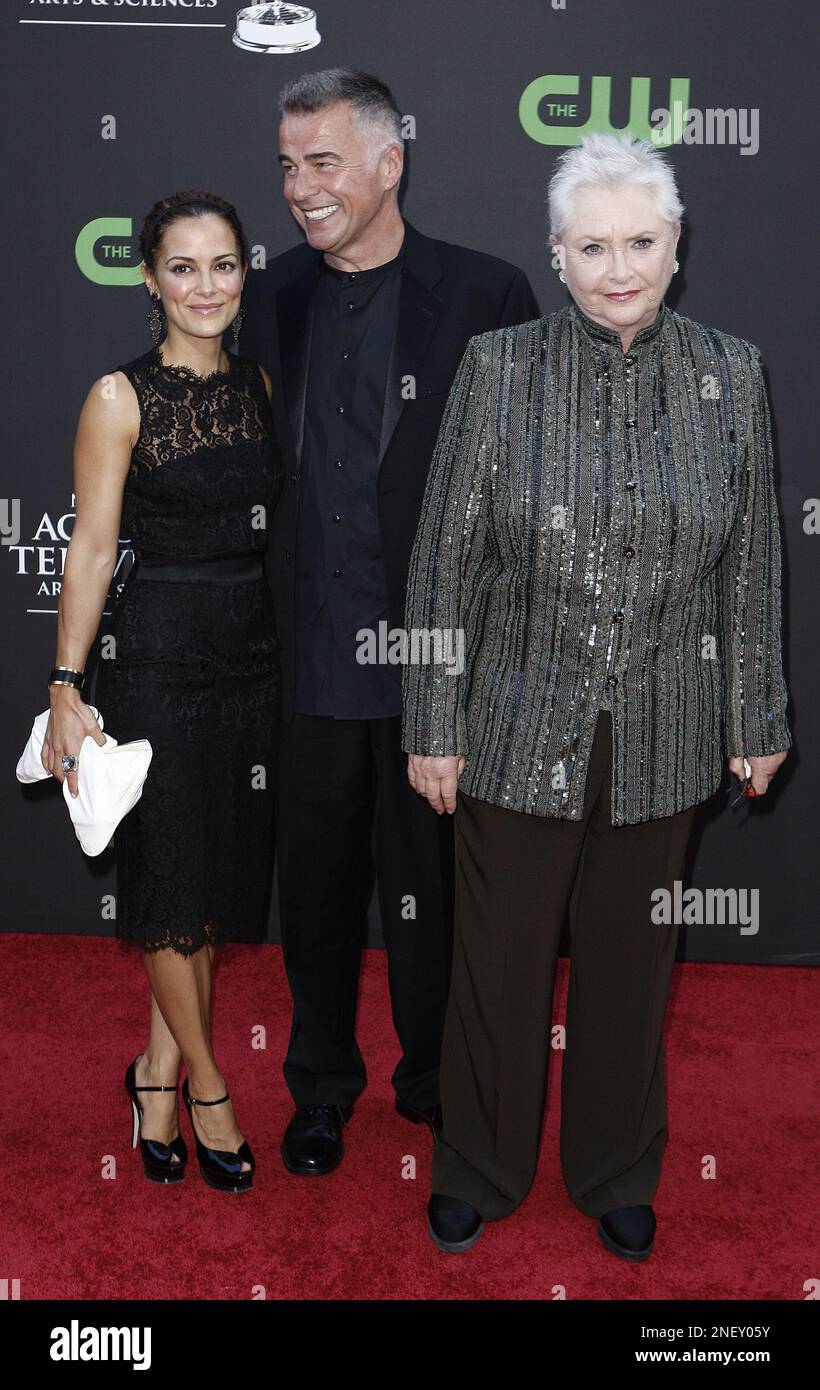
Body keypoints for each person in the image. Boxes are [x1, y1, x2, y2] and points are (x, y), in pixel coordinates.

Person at [401, 132, 792, 1258]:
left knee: (633, 967)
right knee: (497, 963)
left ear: (677, 248)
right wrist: (432, 721)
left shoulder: (732, 372)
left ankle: (616, 1164)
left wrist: (756, 717)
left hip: (669, 726)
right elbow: (443, 561)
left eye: (640, 241)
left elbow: (751, 564)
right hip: (515, 722)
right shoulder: (499, 367)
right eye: (591, 245)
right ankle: (477, 1161)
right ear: (556, 255)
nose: (616, 265)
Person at [233, 67, 540, 1176]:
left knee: (434, 902)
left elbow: (522, 495)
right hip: (307, 662)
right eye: (286, 166)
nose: (300, 188)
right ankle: (320, 1086)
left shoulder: (484, 293)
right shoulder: (271, 299)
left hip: (432, 675)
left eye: (322, 163)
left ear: (388, 161)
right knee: (311, 894)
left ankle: (432, 1079)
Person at [43, 191, 283, 1193]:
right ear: (148, 277)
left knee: (211, 889)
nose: (205, 286)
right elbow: (93, 548)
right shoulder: (119, 397)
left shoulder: (263, 385)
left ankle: (153, 1072)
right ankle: (209, 1085)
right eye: (182, 267)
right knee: (170, 891)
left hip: (251, 665)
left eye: (223, 265)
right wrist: (65, 682)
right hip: (156, 664)